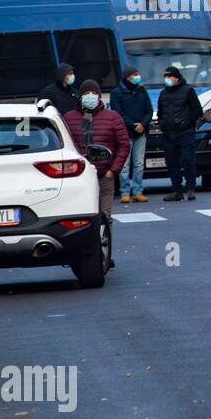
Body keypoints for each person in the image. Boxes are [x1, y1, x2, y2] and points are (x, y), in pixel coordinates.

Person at [63, 80, 129, 269]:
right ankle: (82, 253)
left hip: (104, 175)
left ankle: (104, 252)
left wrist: (113, 170)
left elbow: (123, 145)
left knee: (105, 217)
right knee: (80, 218)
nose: (90, 96)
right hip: (79, 179)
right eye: (86, 93)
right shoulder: (69, 118)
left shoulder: (113, 117)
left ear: (99, 95)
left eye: (94, 93)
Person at [157, 65, 203, 202]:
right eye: (166, 77)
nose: (167, 79)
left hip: (185, 132)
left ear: (177, 78)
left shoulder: (188, 91)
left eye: (170, 76)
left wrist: (186, 122)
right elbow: (160, 112)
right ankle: (177, 190)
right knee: (171, 162)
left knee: (188, 160)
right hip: (168, 134)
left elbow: (197, 111)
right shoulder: (163, 93)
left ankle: (190, 188)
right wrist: (162, 124)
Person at [111, 64, 152, 204]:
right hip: (125, 132)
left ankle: (138, 191)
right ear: (127, 77)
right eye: (134, 75)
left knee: (139, 163)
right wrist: (133, 125)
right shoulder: (116, 93)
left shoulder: (141, 91)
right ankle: (124, 192)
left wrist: (143, 124)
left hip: (141, 131)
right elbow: (118, 113)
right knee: (125, 164)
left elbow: (149, 110)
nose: (137, 77)